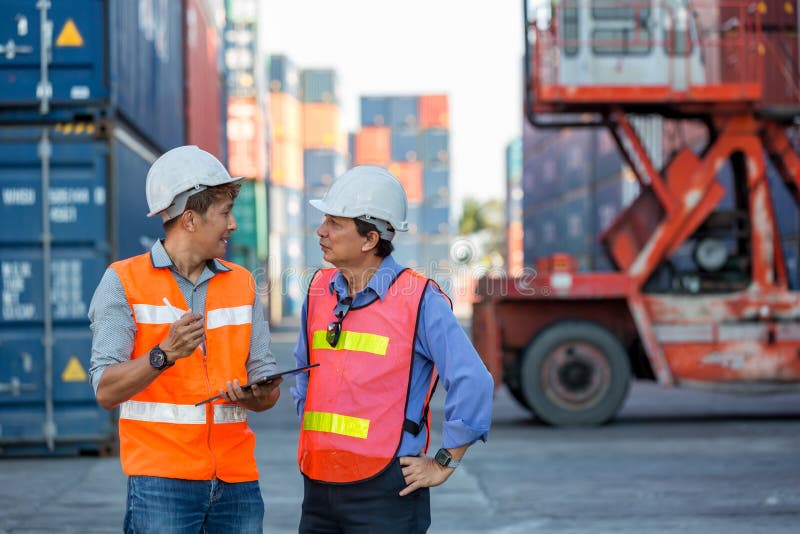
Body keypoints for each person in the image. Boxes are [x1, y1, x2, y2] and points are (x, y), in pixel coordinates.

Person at [88, 145, 281, 533]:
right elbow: (106, 389)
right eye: (225, 214)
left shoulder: (242, 283)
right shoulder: (123, 282)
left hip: (237, 481)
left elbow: (267, 381)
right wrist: (163, 355)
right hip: (162, 482)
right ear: (190, 219)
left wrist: (260, 393)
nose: (233, 226)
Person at [291, 165, 494, 533]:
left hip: (385, 493)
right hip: (318, 486)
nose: (321, 230)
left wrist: (445, 461)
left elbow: (474, 381)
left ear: (370, 239)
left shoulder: (419, 299)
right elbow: (304, 377)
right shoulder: (319, 290)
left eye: (335, 223)